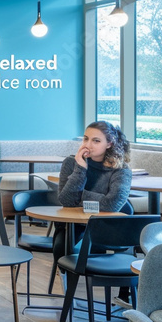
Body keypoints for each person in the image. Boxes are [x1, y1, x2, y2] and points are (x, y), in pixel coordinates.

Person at [52, 121, 134, 289]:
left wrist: (80, 195)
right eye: (86, 139)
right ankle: (68, 289)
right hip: (74, 222)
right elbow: (66, 200)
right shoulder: (71, 162)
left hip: (105, 224)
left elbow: (112, 205)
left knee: (122, 243)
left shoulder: (121, 169)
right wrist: (80, 168)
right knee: (60, 246)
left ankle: (124, 295)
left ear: (109, 144)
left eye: (96, 141)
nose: (88, 145)